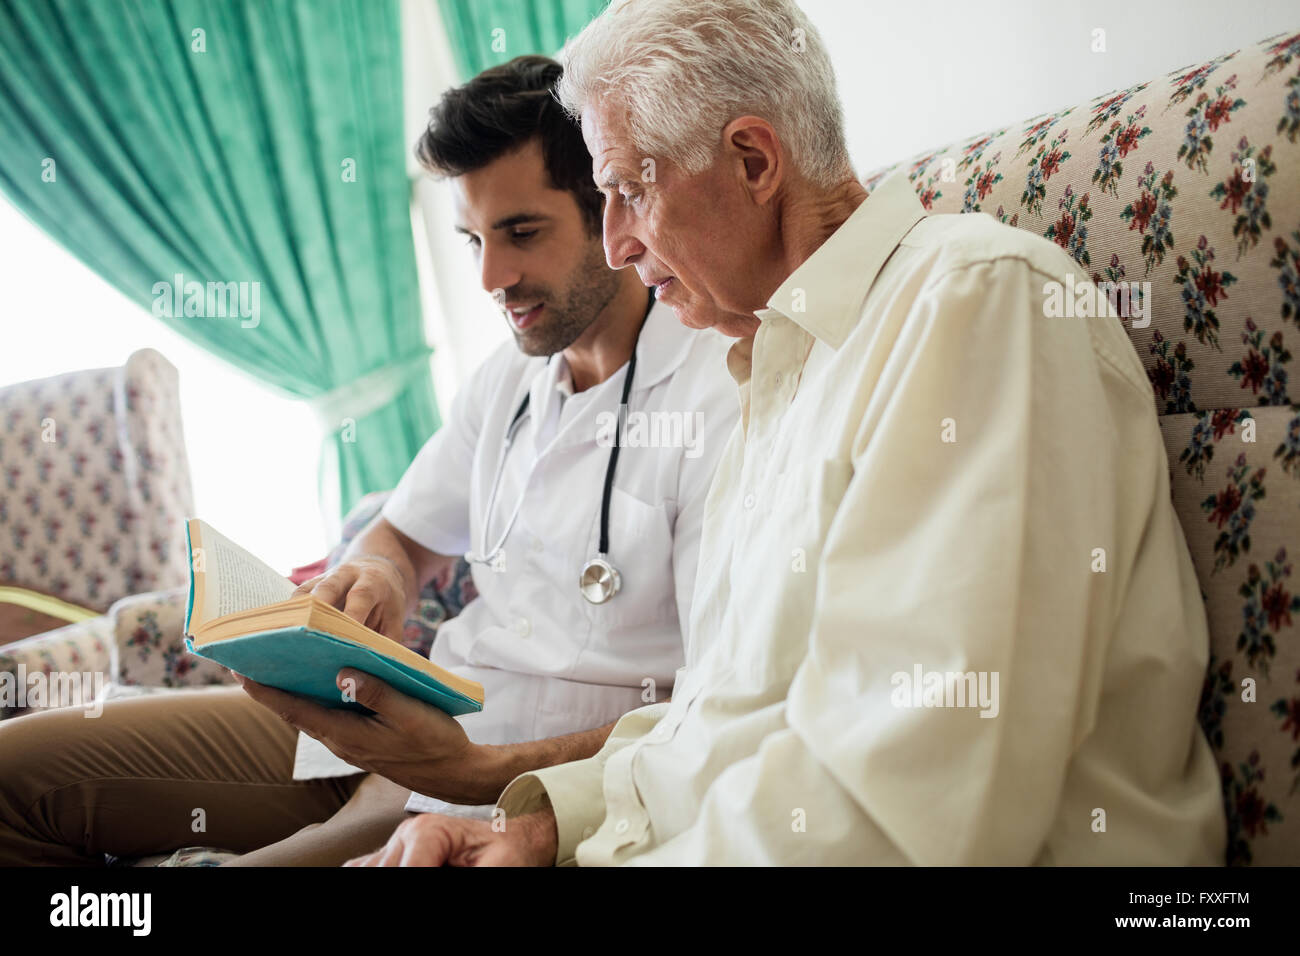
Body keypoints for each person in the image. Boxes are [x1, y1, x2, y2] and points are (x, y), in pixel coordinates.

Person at [346, 0, 1226, 867]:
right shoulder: (778, 370)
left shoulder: (974, 306)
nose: (613, 244)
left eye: (626, 190)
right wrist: (536, 831)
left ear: (753, 161)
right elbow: (723, 715)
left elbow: (903, 804)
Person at [0, 54, 736, 866]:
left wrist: (475, 773)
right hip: (398, 722)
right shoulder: (510, 380)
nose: (493, 277)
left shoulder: (722, 395)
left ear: (612, 211)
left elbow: (718, 709)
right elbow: (400, 533)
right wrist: (382, 575)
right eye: (474, 240)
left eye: (522, 233)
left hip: (522, 779)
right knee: (14, 776)